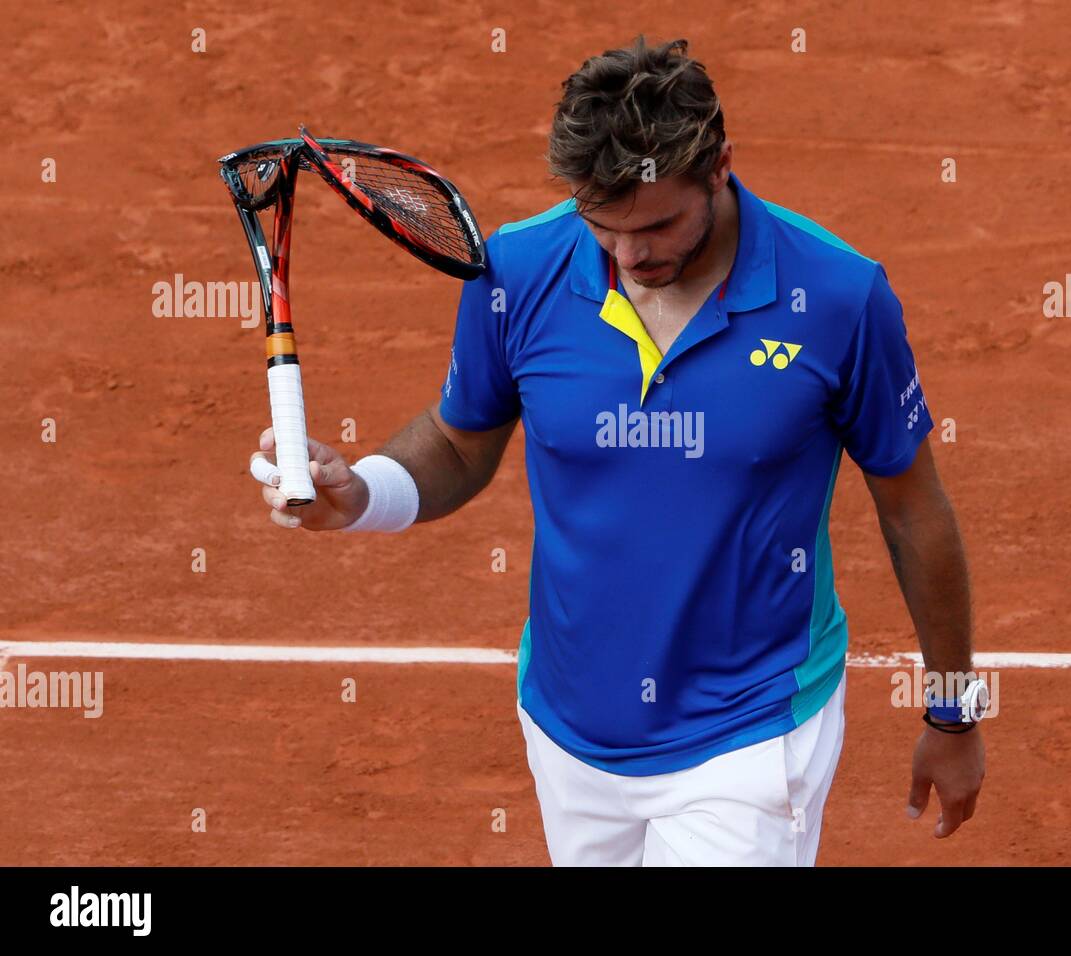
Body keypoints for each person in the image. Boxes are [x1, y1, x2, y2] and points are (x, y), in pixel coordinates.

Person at [250, 35, 983, 866]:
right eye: (604, 230)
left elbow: (913, 509)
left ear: (720, 168)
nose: (632, 256)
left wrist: (953, 711)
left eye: (659, 224)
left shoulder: (841, 299)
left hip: (746, 735)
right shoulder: (518, 270)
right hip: (566, 727)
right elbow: (460, 442)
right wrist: (363, 494)